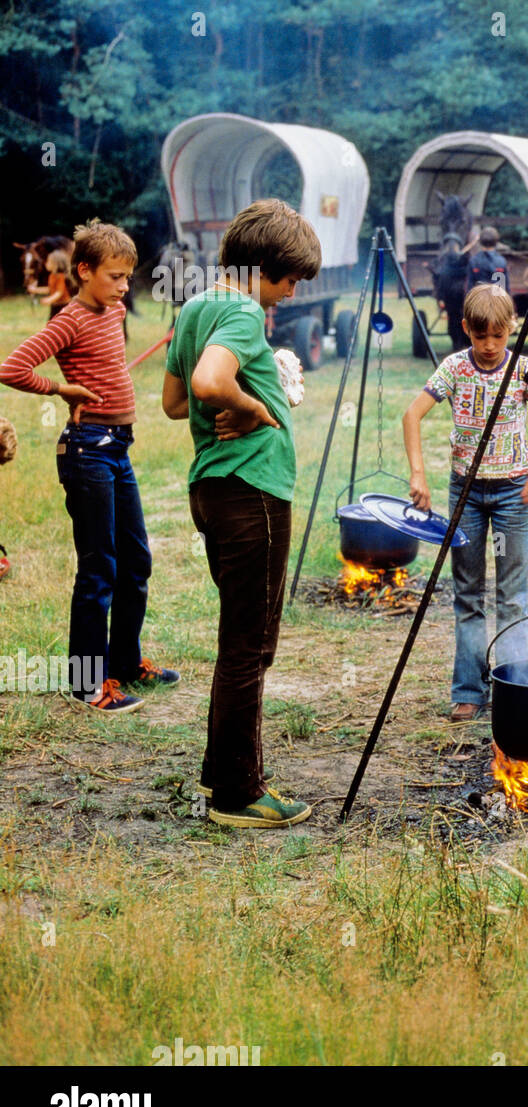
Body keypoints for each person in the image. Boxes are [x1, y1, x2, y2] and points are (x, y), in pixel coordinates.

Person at [161, 198, 321, 827]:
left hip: (214, 491)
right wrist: (256, 408)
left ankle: (222, 775)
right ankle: (240, 793)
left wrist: (244, 388)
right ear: (261, 267)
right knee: (249, 646)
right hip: (251, 492)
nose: (285, 297)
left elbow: (173, 403)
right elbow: (204, 385)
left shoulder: (197, 305)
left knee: (240, 640)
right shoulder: (242, 311)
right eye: (287, 282)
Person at [1, 220, 177, 711]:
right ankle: (85, 684)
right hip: (86, 453)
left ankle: (123, 664)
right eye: (115, 276)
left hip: (116, 449)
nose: (125, 287)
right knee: (99, 569)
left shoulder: (113, 310)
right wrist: (63, 389)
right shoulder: (69, 320)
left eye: (128, 276)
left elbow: (105, 363)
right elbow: (12, 368)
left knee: (136, 562)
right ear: (83, 271)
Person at [404, 284, 528, 723]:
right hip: (465, 494)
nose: (489, 347)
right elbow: (411, 415)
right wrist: (418, 472)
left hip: (512, 494)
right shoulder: (453, 369)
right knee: (468, 593)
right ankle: (469, 689)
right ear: (466, 328)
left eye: (499, 337)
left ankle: (512, 685)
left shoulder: (526, 373)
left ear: (512, 331)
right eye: (480, 336)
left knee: (513, 595)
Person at [30, 248, 72, 319]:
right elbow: (50, 289)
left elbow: (59, 292)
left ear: (56, 264)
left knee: (60, 325)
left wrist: (49, 299)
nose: (46, 263)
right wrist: (35, 290)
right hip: (55, 305)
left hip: (63, 305)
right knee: (52, 323)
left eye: (48, 261)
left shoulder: (60, 276)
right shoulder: (52, 275)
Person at [466, 226, 510, 294]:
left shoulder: (473, 261)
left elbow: (470, 287)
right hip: (497, 298)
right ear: (496, 242)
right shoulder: (502, 261)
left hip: (479, 298)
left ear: (480, 242)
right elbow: (506, 288)